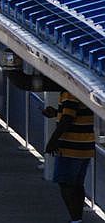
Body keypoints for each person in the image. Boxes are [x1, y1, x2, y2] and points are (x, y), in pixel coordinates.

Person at [45, 90, 95, 223]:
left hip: (71, 146)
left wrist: (53, 141)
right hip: (85, 145)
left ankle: (75, 219)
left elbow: (68, 118)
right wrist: (57, 113)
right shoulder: (82, 89)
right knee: (77, 185)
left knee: (66, 184)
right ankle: (77, 219)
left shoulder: (69, 93)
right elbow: (73, 113)